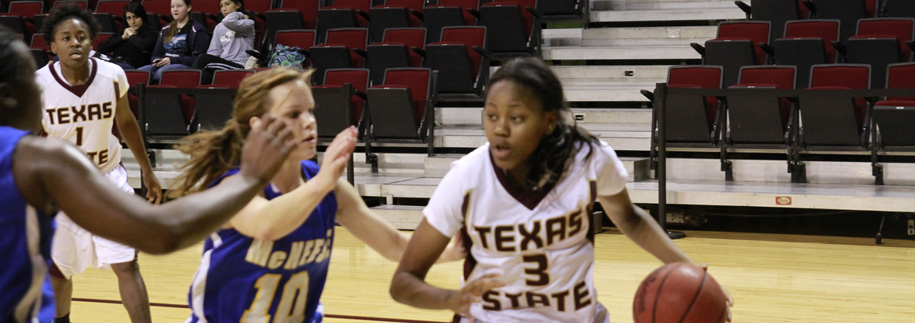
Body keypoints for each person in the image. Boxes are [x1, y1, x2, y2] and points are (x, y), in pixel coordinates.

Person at [389, 57, 733, 322]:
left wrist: (691, 271)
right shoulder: (466, 178)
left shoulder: (590, 159)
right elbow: (403, 281)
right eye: (491, 116)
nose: (500, 129)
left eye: (516, 117)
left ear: (549, 121)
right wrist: (451, 299)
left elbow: (631, 219)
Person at [0, 25, 297, 323]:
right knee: (57, 273)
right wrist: (251, 177)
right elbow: (162, 232)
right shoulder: (42, 161)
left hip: (101, 179)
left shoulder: (36, 158)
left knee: (107, 267)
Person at [168, 67, 464, 323]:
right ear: (259, 126)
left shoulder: (325, 186)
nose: (309, 121)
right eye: (294, 114)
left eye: (310, 110)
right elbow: (265, 225)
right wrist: (323, 181)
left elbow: (395, 246)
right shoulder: (234, 184)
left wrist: (455, 251)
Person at [36, 5, 158, 322]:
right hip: (60, 190)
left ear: (93, 42)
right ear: (53, 46)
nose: (75, 42)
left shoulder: (112, 75)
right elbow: (27, 141)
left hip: (108, 182)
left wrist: (147, 169)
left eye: (82, 36)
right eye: (66, 37)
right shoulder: (37, 87)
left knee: (127, 264)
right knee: (58, 272)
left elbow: (127, 123)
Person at [138, 0, 210, 84]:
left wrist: (172, 60)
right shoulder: (165, 29)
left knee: (160, 73)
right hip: (165, 63)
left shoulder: (198, 30)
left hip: (185, 65)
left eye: (179, 6)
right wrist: (156, 60)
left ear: (189, 8)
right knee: (141, 73)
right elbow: (156, 54)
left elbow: (197, 59)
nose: (175, 9)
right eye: (172, 7)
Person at [191, 0, 254, 84]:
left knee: (203, 59)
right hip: (222, 64)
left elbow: (228, 21)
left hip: (239, 65)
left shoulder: (248, 23)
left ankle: (186, 89)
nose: (224, 9)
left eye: (227, 4)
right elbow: (213, 52)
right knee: (205, 75)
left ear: (238, 5)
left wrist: (240, 14)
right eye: (221, 6)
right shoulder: (219, 27)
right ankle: (193, 95)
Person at [96, 2, 157, 70]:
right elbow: (101, 48)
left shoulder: (150, 32)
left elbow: (145, 46)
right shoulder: (123, 33)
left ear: (142, 17)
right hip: (116, 62)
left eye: (136, 17)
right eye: (129, 18)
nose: (132, 22)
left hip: (132, 65)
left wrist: (131, 35)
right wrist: (122, 38)